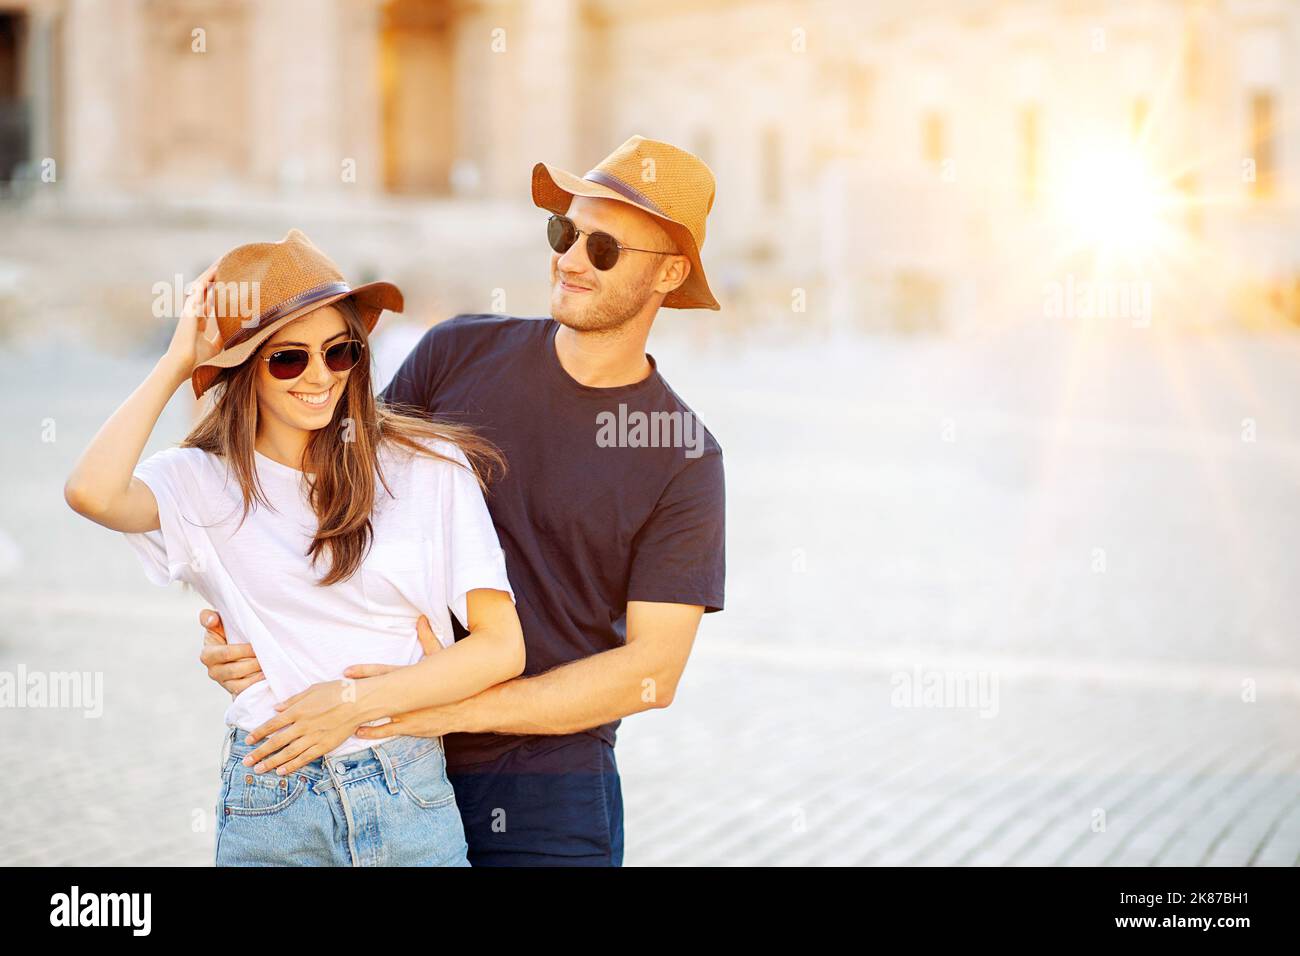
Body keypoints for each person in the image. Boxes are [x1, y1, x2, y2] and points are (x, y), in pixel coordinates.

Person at [199, 136, 727, 866]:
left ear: (669, 273)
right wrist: (251, 626)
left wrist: (434, 707)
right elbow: (327, 498)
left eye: (603, 249)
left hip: (547, 796)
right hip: (378, 773)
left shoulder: (684, 455)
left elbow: (652, 674)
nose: (570, 258)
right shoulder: (456, 354)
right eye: (563, 232)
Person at [65, 229, 524, 866]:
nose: (320, 376)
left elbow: (502, 647)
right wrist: (178, 362)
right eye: (289, 359)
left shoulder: (430, 467)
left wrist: (352, 704)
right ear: (241, 369)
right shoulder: (201, 483)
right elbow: (90, 492)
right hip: (274, 798)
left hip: (406, 790)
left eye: (340, 353)